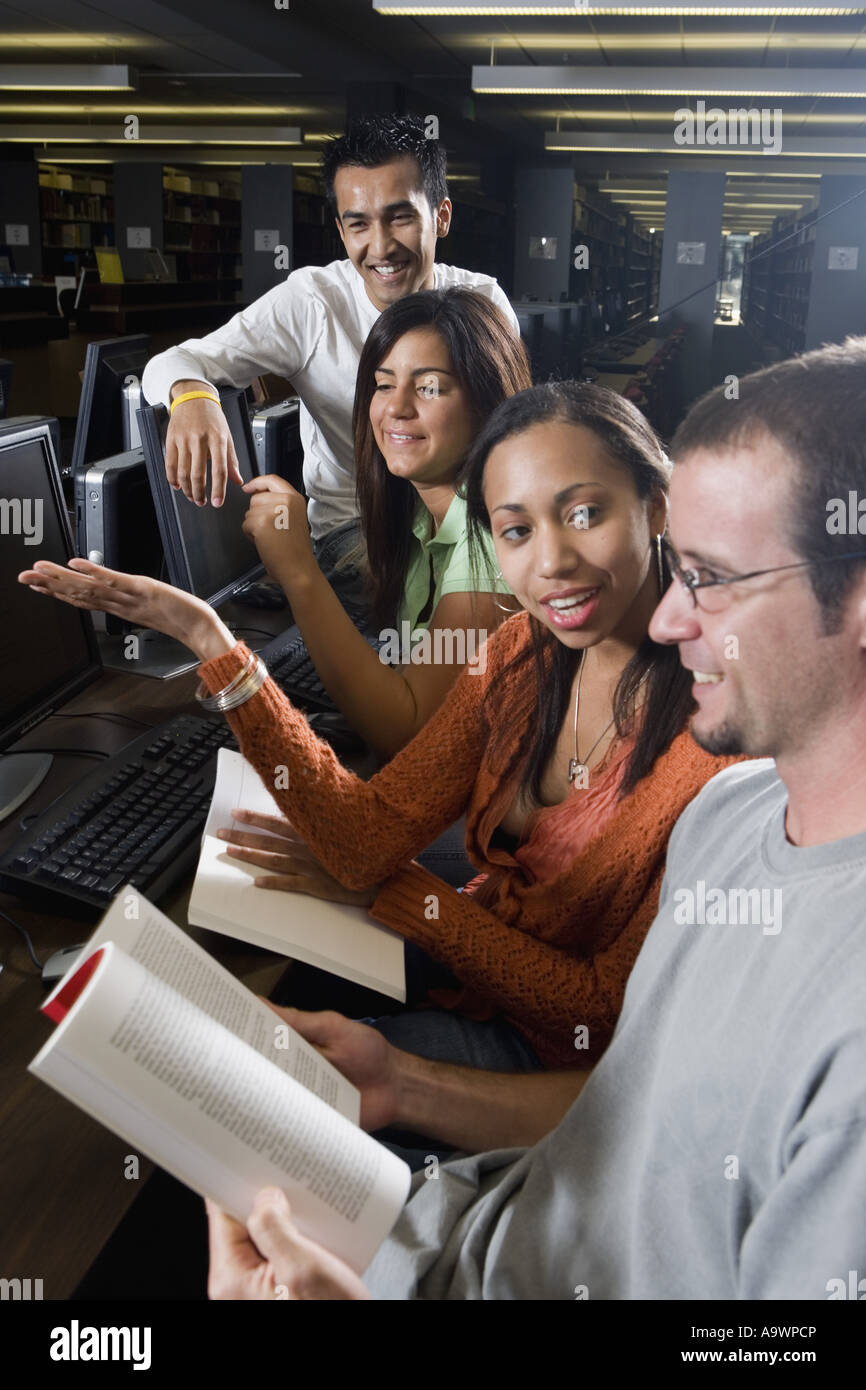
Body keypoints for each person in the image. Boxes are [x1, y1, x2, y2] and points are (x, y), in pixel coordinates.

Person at [197, 335, 866, 1300]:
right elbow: (614, 1118)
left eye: (711, 577)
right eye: (683, 572)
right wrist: (397, 1083)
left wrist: (397, 895)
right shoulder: (731, 818)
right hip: (478, 1227)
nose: (675, 622)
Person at [19, 383, 737, 1077]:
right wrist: (207, 639)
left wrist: (403, 900)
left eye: (583, 514)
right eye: (516, 530)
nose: (551, 562)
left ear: (657, 507)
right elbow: (367, 839)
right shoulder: (520, 652)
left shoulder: (716, 741)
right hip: (477, 956)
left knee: (246, 1077)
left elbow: (602, 1009)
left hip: (559, 1054)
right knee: (177, 1010)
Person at [141, 114, 520, 626]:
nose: (381, 246)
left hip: (462, 519)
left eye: (400, 217)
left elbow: (514, 439)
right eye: (359, 223)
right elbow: (174, 361)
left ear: (442, 216)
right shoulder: (311, 302)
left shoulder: (482, 302)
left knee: (509, 580)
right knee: (434, 612)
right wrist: (192, 398)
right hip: (357, 532)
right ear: (341, 230)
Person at [240, 288, 531, 758]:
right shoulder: (419, 513)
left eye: (429, 387)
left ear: (487, 403)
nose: (396, 408)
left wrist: (298, 572)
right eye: (383, 384)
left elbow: (408, 736)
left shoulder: (494, 536)